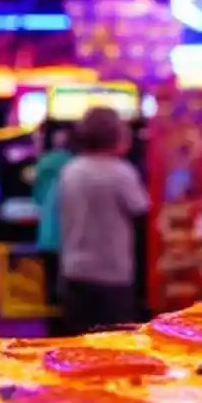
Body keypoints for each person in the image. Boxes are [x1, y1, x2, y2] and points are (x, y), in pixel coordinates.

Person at [57, 107, 148, 334]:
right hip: (112, 273)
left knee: (79, 343)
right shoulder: (120, 172)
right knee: (114, 347)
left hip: (74, 270)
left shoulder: (71, 169)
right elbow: (142, 211)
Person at [32, 128, 73, 335]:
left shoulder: (44, 161)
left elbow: (37, 198)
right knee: (70, 293)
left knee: (50, 291)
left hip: (47, 235)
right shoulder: (76, 164)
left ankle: (52, 333)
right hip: (72, 239)